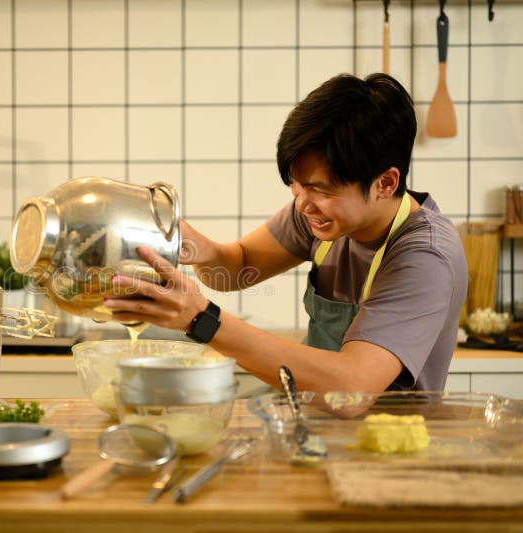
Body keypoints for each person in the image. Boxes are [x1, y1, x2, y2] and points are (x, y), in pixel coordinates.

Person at [103, 73, 468, 393]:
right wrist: (194, 247)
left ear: (385, 183)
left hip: (385, 445)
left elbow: (351, 386)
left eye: (321, 189)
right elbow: (240, 265)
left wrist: (202, 320)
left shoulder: (425, 256)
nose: (302, 203)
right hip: (312, 420)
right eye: (296, 185)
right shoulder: (322, 217)